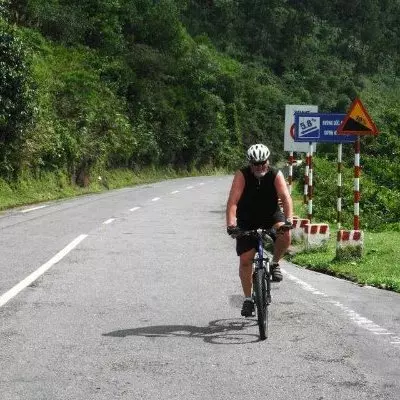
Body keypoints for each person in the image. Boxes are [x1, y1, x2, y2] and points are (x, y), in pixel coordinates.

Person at [226, 143, 293, 317]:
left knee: (285, 234)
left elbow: (286, 198)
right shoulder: (242, 175)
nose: (259, 167)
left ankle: (275, 262)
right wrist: (231, 225)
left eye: (262, 163)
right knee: (246, 259)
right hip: (247, 220)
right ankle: (248, 299)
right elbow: (232, 202)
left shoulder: (275, 174)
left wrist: (289, 219)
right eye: (255, 164)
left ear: (268, 161)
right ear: (250, 163)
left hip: (270, 216)